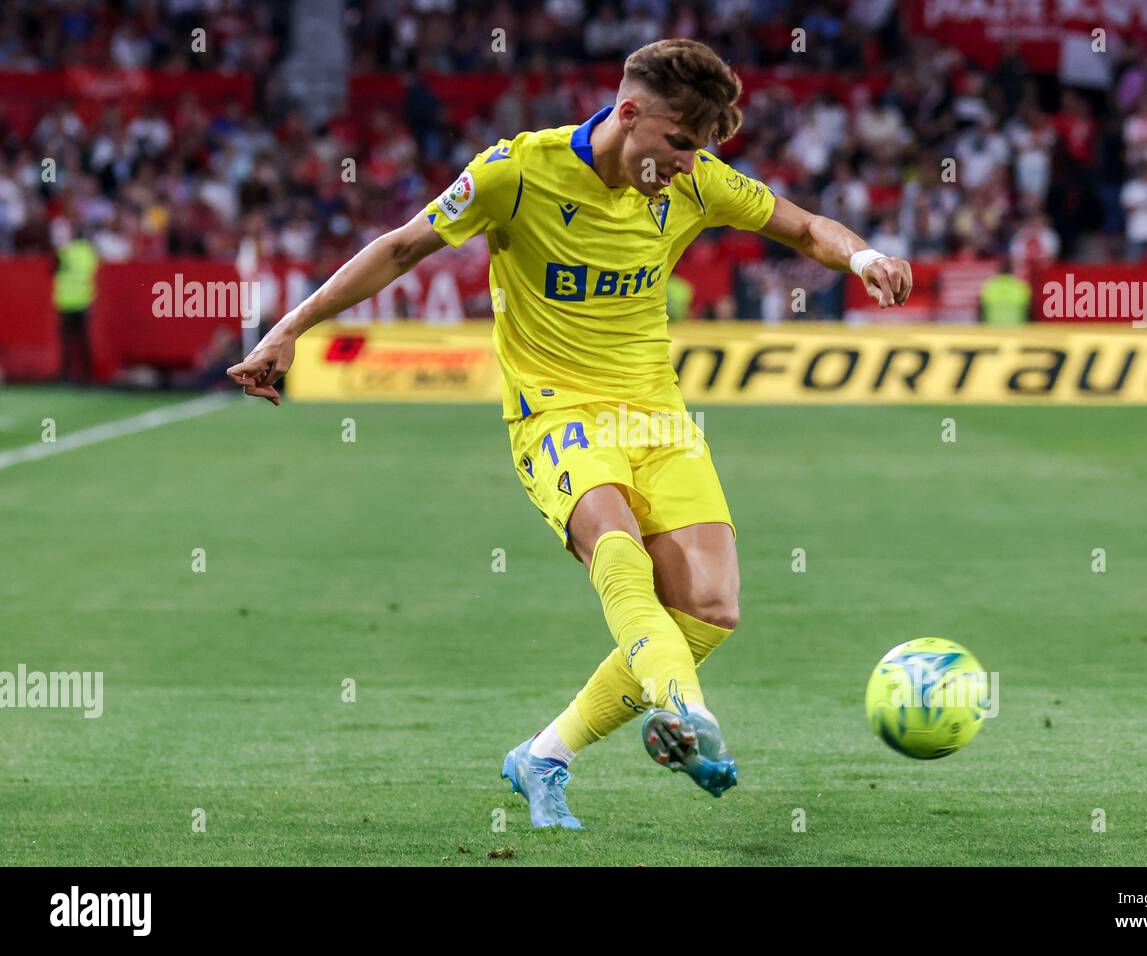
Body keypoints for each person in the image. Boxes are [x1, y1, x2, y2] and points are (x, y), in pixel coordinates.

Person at [227, 39, 912, 830]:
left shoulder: (693, 183)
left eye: (701, 151)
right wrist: (291, 328)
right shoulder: (515, 173)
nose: (691, 165)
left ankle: (544, 755)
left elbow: (801, 226)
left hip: (656, 415)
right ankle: (689, 712)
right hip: (555, 413)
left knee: (711, 611)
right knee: (616, 550)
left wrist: (861, 255)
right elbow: (401, 246)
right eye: (680, 144)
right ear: (629, 114)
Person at [53, 225, 99, 384]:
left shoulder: (66, 251)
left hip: (66, 302)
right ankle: (87, 374)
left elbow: (53, 268)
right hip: (85, 301)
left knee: (66, 341)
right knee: (85, 341)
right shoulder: (90, 253)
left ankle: (66, 373)